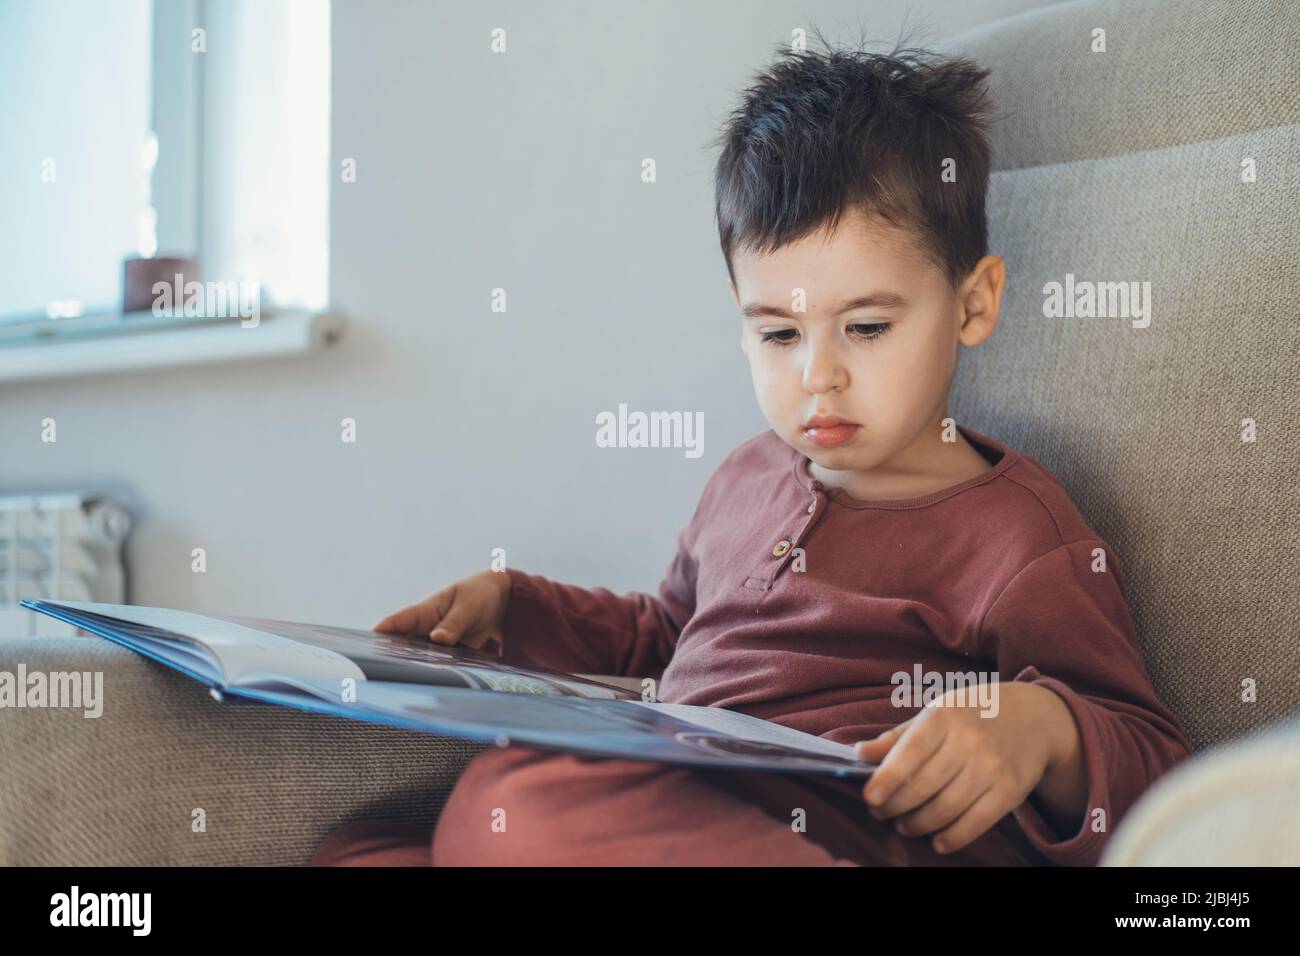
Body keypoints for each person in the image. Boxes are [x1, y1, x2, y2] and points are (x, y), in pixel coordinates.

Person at [311, 37, 1192, 867]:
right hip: (698, 800)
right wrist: (513, 605)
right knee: (368, 846)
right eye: (777, 333)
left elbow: (1155, 761)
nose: (820, 376)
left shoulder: (1017, 535)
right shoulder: (745, 477)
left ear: (972, 304)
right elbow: (666, 640)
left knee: (521, 805)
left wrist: (1039, 726)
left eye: (868, 327)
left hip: (851, 830)